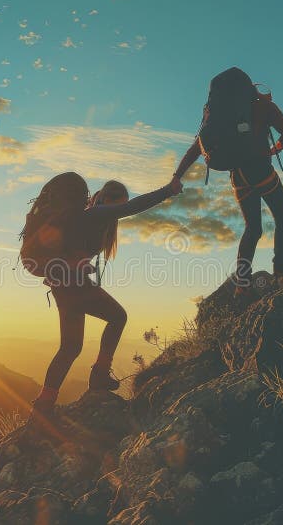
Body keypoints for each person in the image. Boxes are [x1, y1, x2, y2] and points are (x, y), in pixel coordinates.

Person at [26, 175, 183, 419]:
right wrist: (168, 190)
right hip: (73, 284)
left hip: (64, 284)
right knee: (117, 317)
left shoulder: (90, 218)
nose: (120, 211)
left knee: (70, 347)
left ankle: (44, 403)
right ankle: (99, 375)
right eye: (119, 204)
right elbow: (135, 206)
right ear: (107, 199)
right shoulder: (96, 214)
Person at [171, 67, 283, 296]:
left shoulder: (218, 114)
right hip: (261, 170)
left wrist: (176, 177)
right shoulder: (264, 106)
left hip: (237, 177)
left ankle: (242, 284)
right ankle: (281, 271)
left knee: (253, 228)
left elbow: (196, 148)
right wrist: (272, 150)